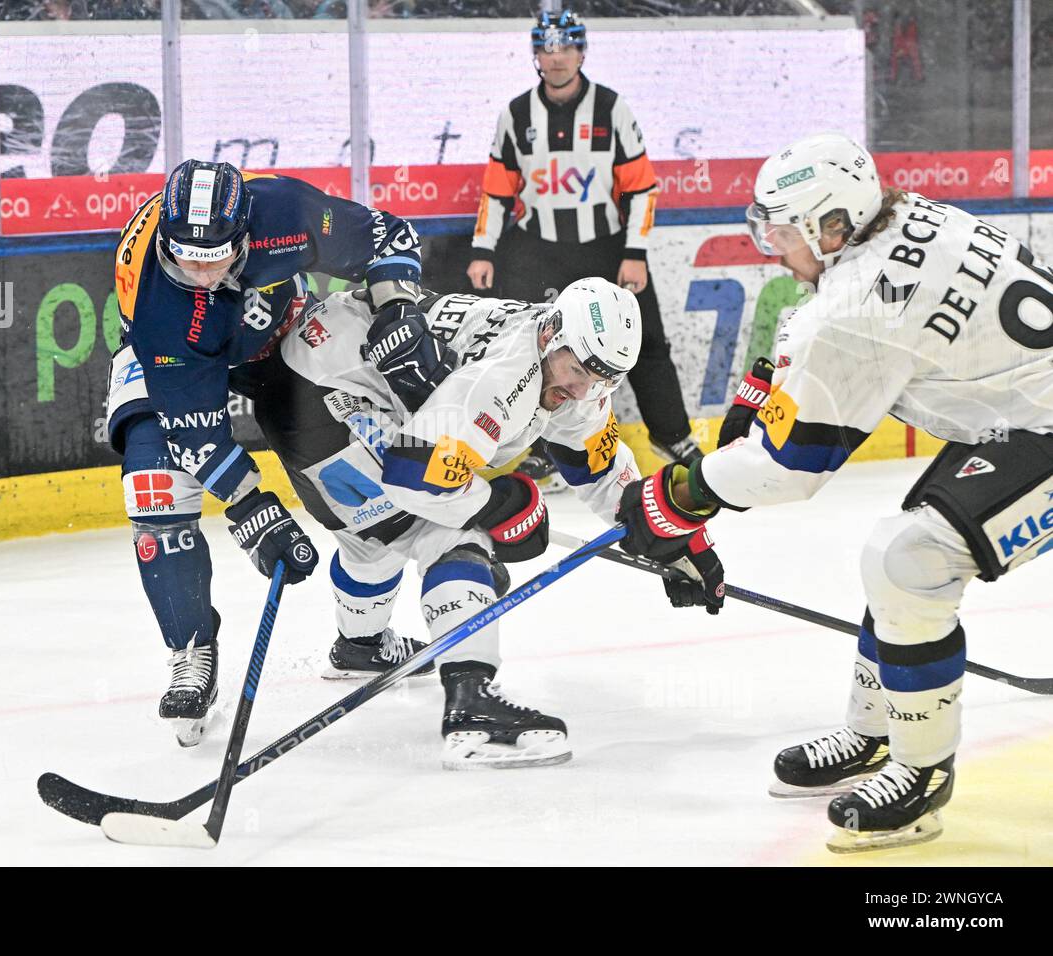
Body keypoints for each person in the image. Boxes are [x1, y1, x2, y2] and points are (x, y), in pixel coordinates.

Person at [617, 131, 1053, 852]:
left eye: (785, 232)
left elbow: (797, 465)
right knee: (898, 570)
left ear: (834, 226)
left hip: (1038, 424)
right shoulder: (910, 215)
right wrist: (773, 382)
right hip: (1017, 416)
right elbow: (846, 324)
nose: (772, 247)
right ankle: (875, 732)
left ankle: (921, 776)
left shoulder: (854, 309)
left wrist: (682, 493)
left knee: (908, 563)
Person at [249, 277, 724, 768]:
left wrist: (680, 541)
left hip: (332, 370)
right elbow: (413, 475)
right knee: (450, 535)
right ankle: (470, 705)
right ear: (550, 334)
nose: (583, 390)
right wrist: (496, 505)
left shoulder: (570, 364)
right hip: (320, 397)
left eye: (603, 379)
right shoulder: (505, 376)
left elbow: (601, 470)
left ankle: (360, 645)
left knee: (374, 537)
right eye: (579, 370)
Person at [109, 159, 453, 745]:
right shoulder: (157, 299)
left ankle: (362, 640)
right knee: (154, 486)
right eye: (184, 258)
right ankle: (190, 650)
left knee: (364, 497)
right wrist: (252, 513)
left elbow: (387, 236)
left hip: (278, 340)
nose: (197, 273)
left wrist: (396, 309)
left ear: (244, 236)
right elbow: (195, 431)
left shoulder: (286, 213)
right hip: (176, 358)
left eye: (213, 257)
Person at [467, 9, 701, 471]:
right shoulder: (515, 116)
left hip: (607, 246)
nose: (556, 58)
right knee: (532, 348)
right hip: (538, 248)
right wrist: (483, 248)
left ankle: (672, 436)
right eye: (547, 48)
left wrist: (635, 252)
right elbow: (496, 190)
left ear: (582, 51)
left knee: (647, 340)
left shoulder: (613, 109)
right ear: (536, 53)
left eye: (566, 47)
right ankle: (534, 446)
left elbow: (641, 189)